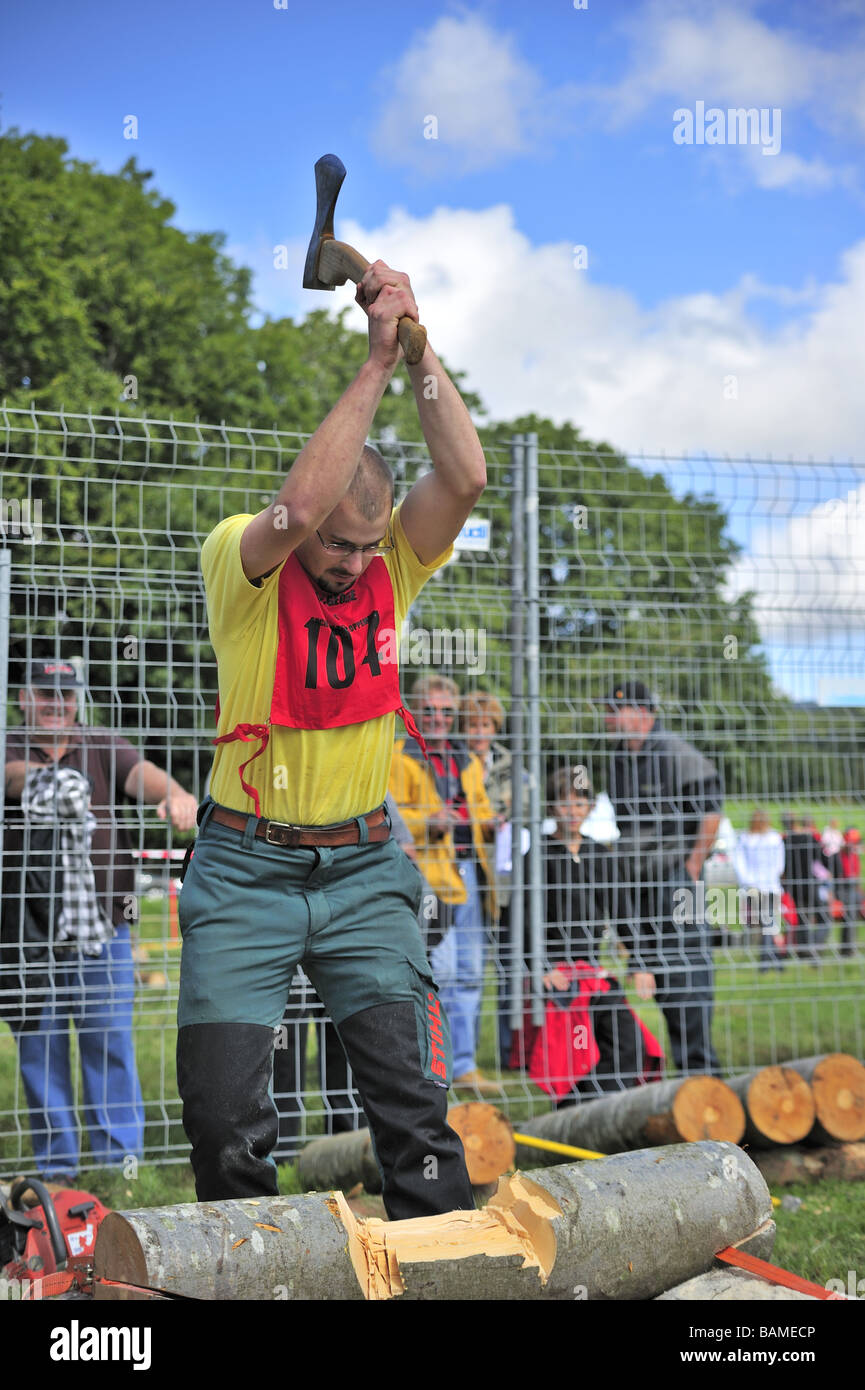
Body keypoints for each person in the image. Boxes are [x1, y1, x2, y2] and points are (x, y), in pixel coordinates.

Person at [178, 258, 484, 1218]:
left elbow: (465, 475)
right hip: (243, 869)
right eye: (337, 550)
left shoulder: (396, 559)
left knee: (411, 1103)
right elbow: (301, 508)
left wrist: (417, 341)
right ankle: (242, 1276)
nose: (352, 564)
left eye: (368, 543)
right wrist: (373, 361)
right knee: (225, 1114)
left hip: (364, 872)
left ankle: (441, 1270)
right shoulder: (244, 558)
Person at [3, 658, 198, 1181]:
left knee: (109, 1043)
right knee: (40, 1049)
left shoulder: (101, 741)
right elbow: (13, 779)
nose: (56, 704)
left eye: (66, 694)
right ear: (24, 698)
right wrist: (49, 780)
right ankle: (57, 1174)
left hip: (106, 928)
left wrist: (175, 795)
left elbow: (143, 776)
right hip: (27, 932)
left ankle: (120, 1172)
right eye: (45, 695)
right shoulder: (10, 744)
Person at [514, 767, 663, 1100]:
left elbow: (624, 913)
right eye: (564, 804)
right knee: (575, 1051)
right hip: (557, 975)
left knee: (629, 1043)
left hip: (593, 972)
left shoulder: (601, 856)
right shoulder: (536, 857)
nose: (572, 812)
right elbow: (518, 920)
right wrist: (541, 966)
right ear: (552, 807)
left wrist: (639, 962)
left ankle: (607, 1111)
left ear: (591, 808)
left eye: (580, 804)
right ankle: (574, 1111)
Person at [604, 679, 722, 1075]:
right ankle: (686, 1071)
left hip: (673, 878)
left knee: (687, 971)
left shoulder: (673, 750)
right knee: (660, 976)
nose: (607, 717)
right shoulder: (618, 757)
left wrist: (691, 866)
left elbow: (711, 811)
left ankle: (701, 1071)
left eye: (614, 709)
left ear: (640, 713)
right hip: (636, 878)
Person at [390, 675, 498, 1096]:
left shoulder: (465, 758)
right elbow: (390, 817)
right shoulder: (399, 756)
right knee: (442, 972)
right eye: (429, 710)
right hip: (427, 877)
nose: (437, 718)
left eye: (446, 712)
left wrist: (490, 822)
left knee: (471, 972)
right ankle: (432, 1063)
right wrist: (428, 825)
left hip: (470, 875)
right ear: (414, 711)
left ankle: (465, 1063)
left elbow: (480, 806)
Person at [460, 691, 527, 1068]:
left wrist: (505, 821)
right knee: (463, 968)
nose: (479, 732)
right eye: (472, 724)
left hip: (504, 878)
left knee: (507, 965)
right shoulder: (453, 763)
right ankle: (459, 1053)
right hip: (466, 870)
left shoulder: (510, 765)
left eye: (486, 725)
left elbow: (527, 806)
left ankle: (510, 1054)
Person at [732, 809, 786, 973]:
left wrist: (748, 881)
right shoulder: (774, 839)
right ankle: (773, 961)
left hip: (754, 887)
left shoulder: (746, 839)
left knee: (766, 924)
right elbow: (779, 865)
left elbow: (739, 864)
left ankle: (768, 962)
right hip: (769, 885)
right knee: (769, 923)